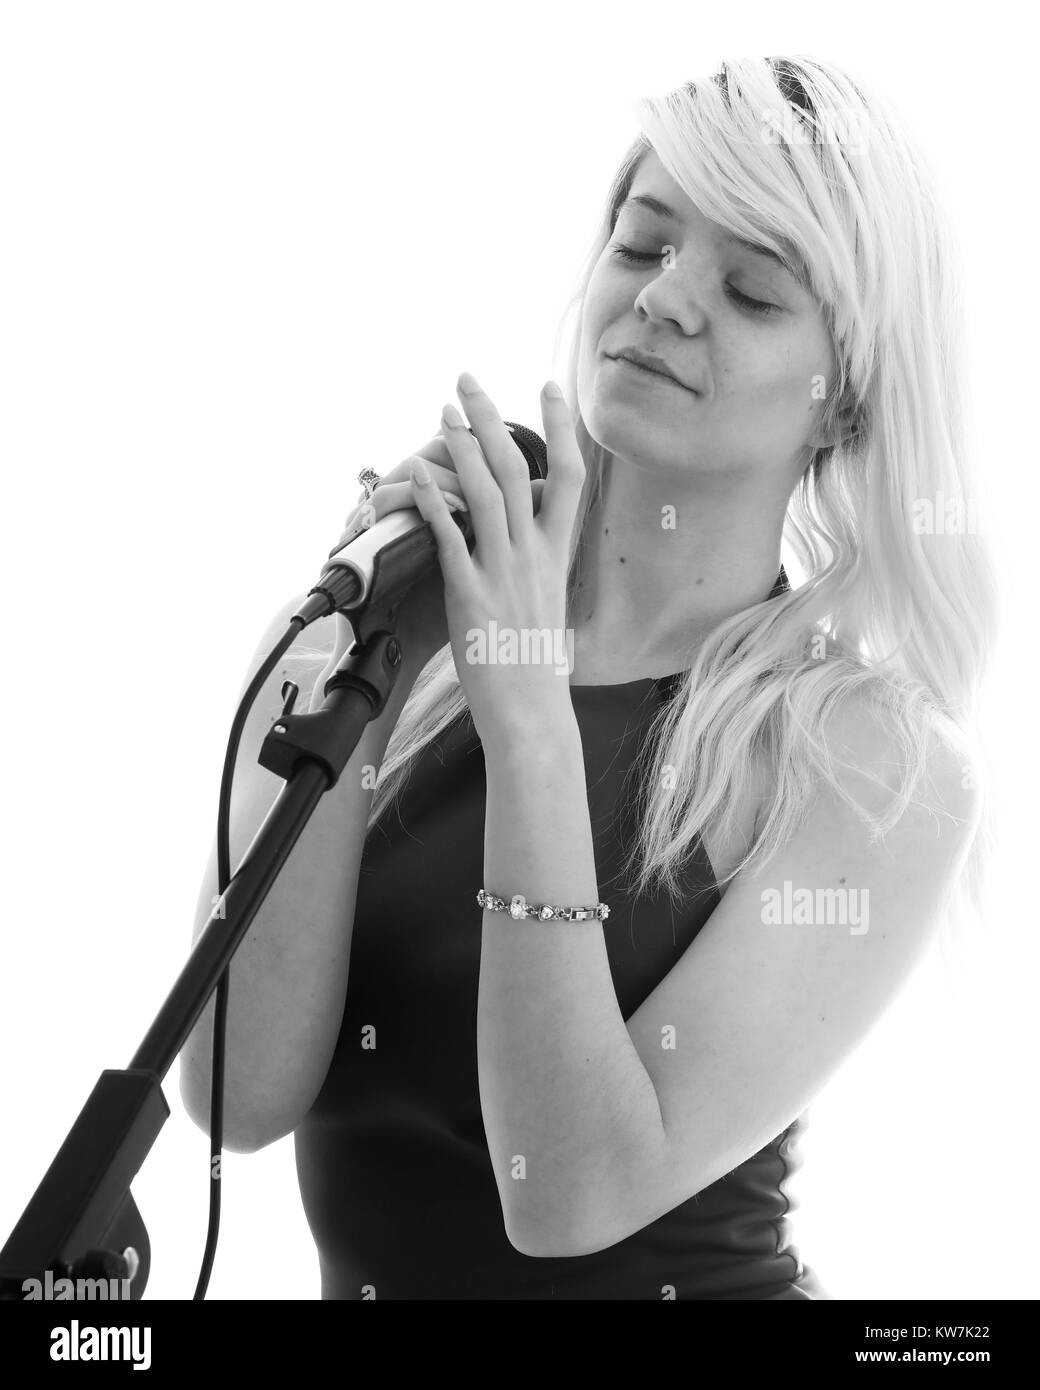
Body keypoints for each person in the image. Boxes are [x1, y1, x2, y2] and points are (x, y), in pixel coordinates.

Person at [180, 55, 997, 1300]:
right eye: (642, 243)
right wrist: (342, 650)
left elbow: (566, 1192)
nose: (666, 301)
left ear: (844, 404)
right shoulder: (407, 632)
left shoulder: (870, 763)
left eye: (751, 290)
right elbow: (235, 1096)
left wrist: (532, 724)